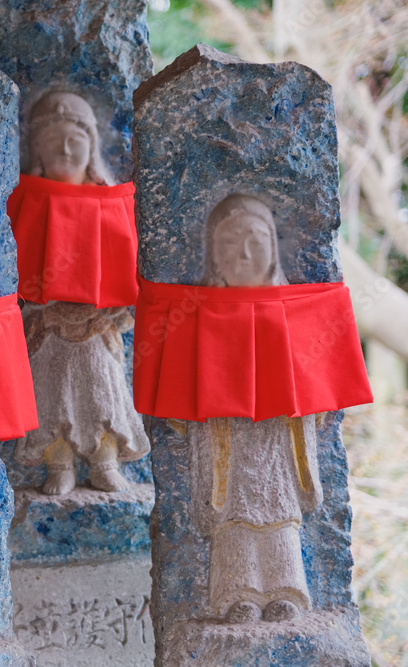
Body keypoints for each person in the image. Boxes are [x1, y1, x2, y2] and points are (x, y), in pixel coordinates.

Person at [185, 193, 322, 623]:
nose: (243, 253)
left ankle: (286, 590)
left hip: (278, 438)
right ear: (212, 253)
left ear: (273, 248)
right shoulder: (198, 316)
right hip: (228, 438)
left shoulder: (294, 313)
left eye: (255, 240)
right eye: (229, 242)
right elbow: (181, 391)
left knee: (279, 513)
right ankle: (235, 593)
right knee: (235, 518)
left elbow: (317, 385)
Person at [14, 90, 149, 494]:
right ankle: (60, 465)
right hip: (47, 329)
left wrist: (122, 312)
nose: (66, 148)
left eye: (76, 139)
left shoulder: (113, 203)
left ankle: (104, 460)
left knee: (101, 391)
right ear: (36, 148)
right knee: (51, 397)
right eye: (54, 140)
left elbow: (129, 270)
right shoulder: (23, 201)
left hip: (97, 327)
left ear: (92, 145)